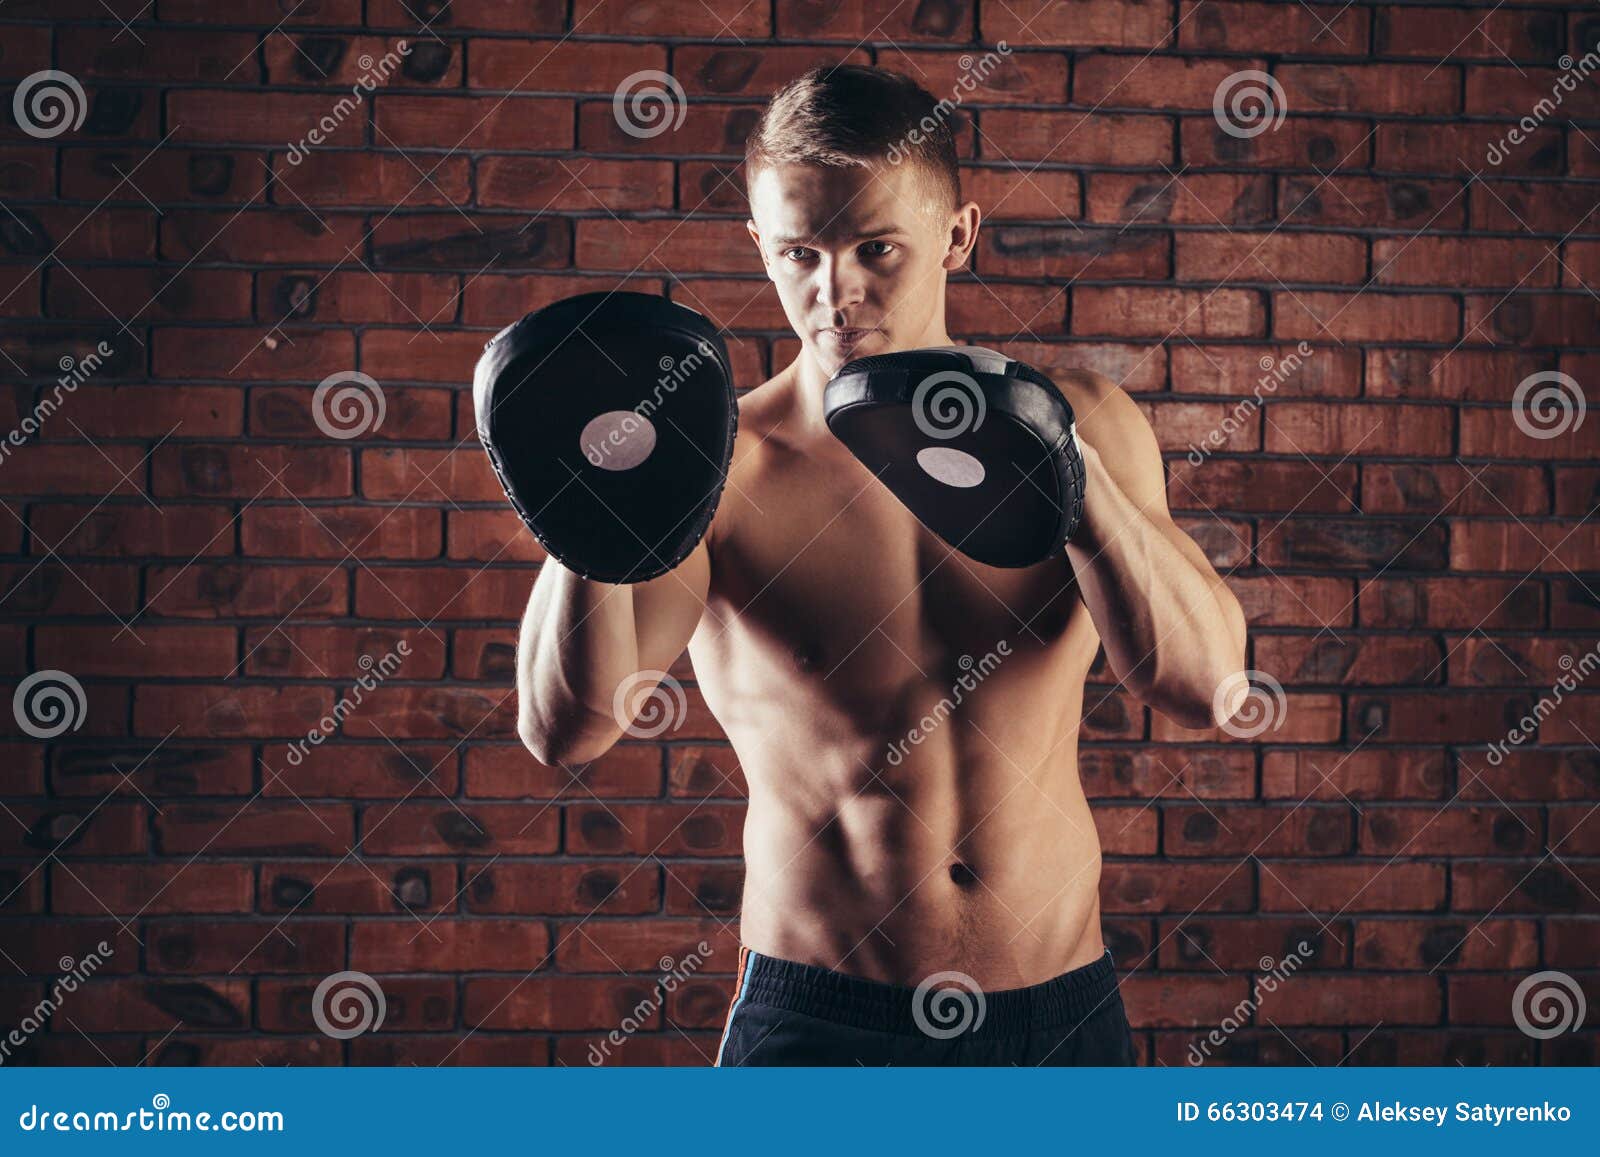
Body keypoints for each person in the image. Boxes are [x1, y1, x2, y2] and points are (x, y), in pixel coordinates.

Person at [513, 65, 1248, 1066]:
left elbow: (1208, 688)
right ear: (761, 247)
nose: (835, 292)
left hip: (1054, 1015)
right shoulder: (723, 468)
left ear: (956, 234)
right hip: (822, 1022)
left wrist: (1077, 486)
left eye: (875, 249)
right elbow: (570, 729)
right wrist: (588, 525)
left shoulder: (1086, 423)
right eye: (799, 253)